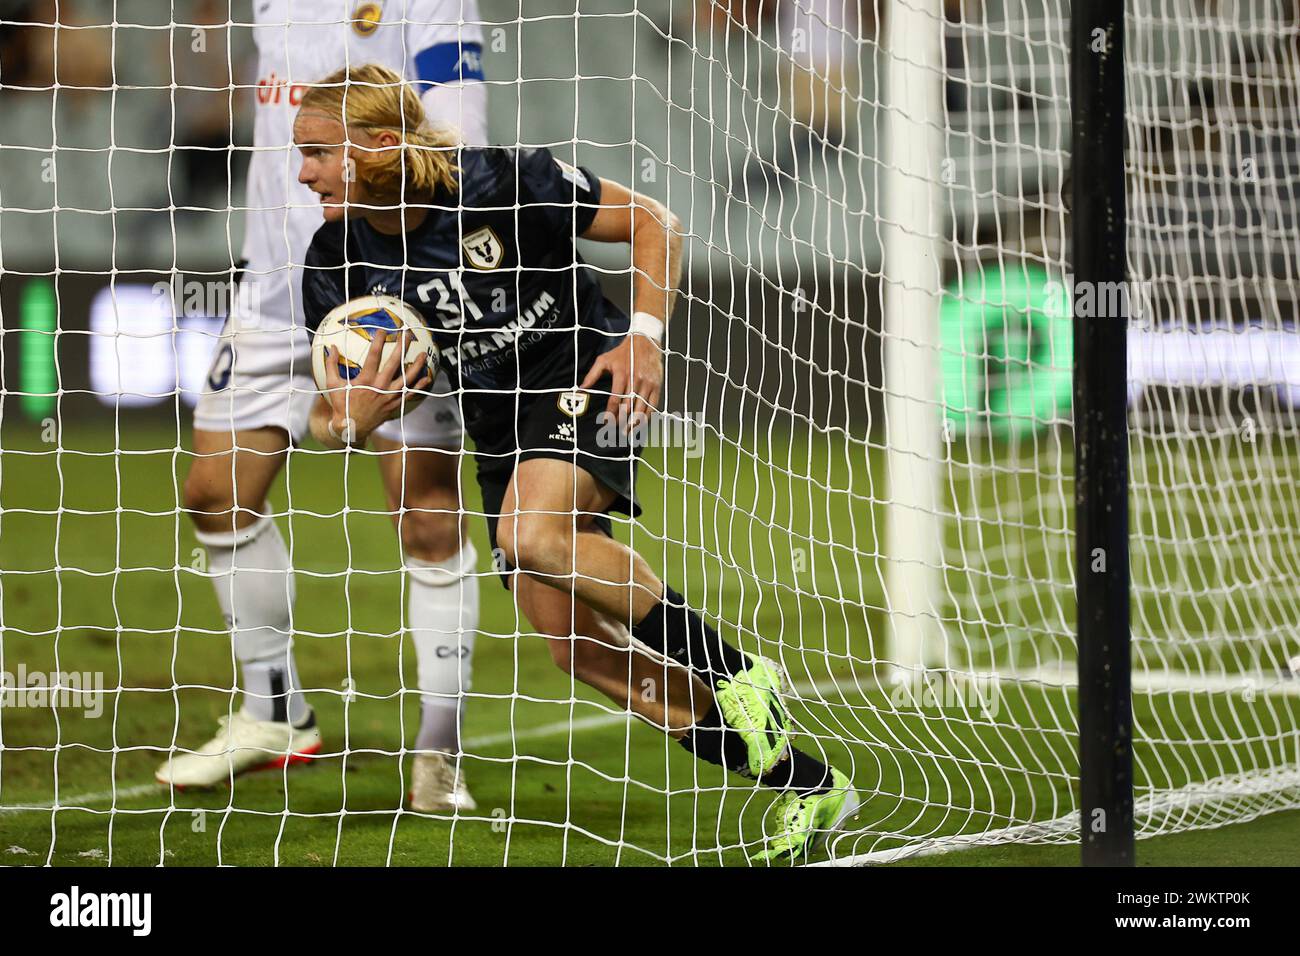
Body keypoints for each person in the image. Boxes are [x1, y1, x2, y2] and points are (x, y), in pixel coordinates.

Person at [295, 62, 860, 862]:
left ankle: (737, 668)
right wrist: (346, 424)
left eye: (318, 152)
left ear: (379, 145)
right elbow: (326, 411)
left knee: (531, 537)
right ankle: (812, 786)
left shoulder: (500, 182)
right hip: (499, 433)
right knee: (577, 649)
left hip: (587, 376)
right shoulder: (332, 260)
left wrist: (644, 335)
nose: (302, 171)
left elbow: (653, 221)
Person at [159, 1, 488, 814]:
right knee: (215, 493)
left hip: (390, 286)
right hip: (275, 284)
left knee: (425, 514)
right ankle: (277, 716)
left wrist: (424, 276)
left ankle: (439, 753)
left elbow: (457, 139)